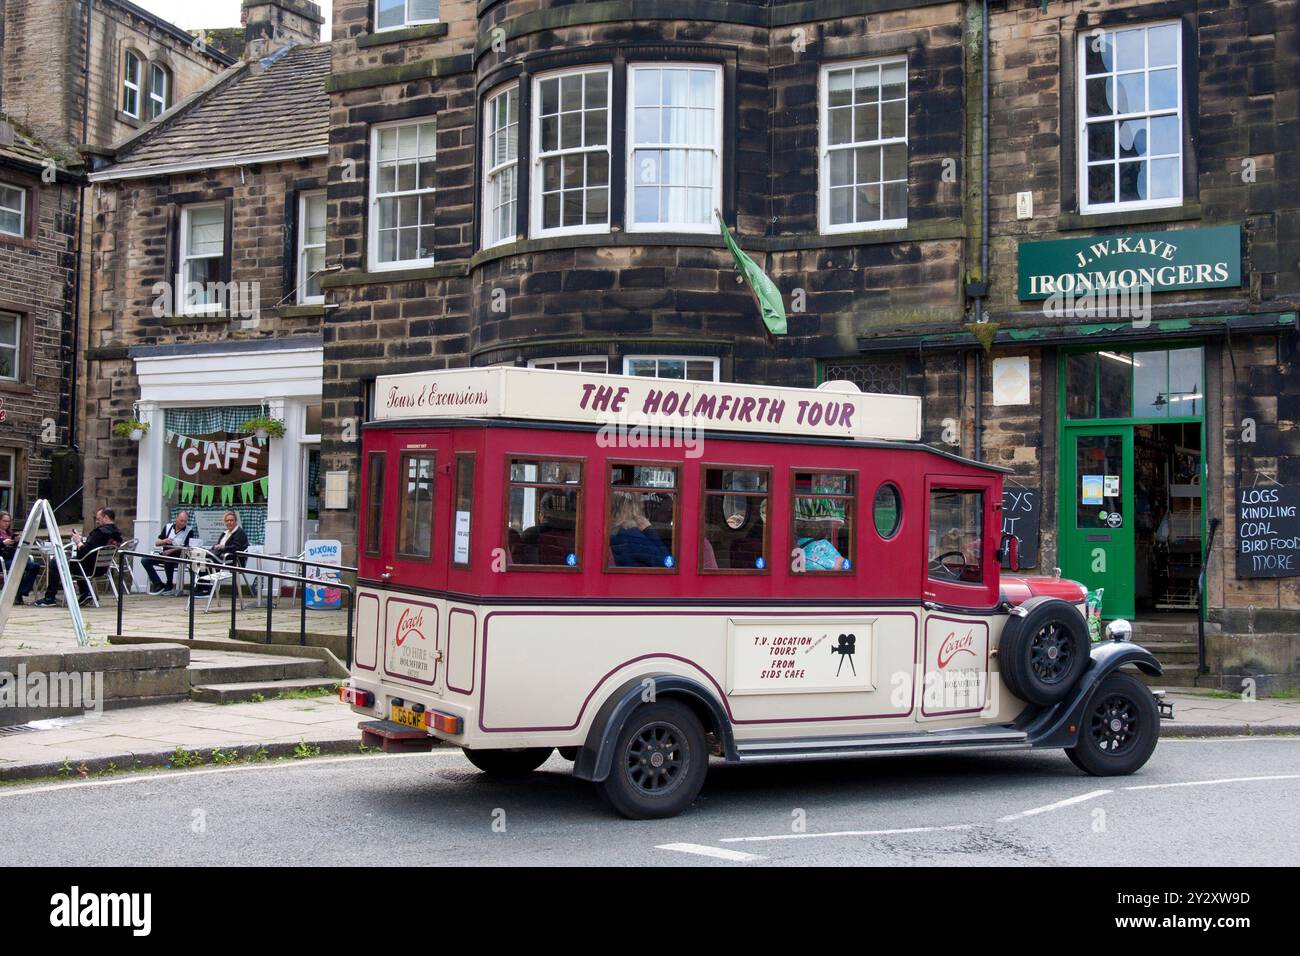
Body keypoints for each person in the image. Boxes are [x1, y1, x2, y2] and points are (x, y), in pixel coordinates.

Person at [33, 507, 124, 607]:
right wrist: (82, 542)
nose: (97, 521)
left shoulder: (100, 532)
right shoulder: (117, 535)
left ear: (106, 517)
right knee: (74, 561)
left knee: (56, 561)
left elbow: (85, 552)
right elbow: (93, 549)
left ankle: (50, 598)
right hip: (103, 568)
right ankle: (86, 593)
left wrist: (78, 542)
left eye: (98, 519)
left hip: (87, 568)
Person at [609, 492, 670, 568]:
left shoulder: (613, 532)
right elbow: (668, 564)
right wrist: (649, 531)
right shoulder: (633, 537)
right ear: (634, 508)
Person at [142, 510, 196, 594]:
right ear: (176, 519)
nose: (183, 523)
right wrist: (165, 541)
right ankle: (158, 584)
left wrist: (170, 551)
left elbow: (187, 547)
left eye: (185, 521)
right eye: (181, 520)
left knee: (168, 561)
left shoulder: (189, 531)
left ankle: (169, 584)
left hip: (178, 556)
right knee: (145, 560)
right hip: (164, 554)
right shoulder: (168, 527)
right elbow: (157, 542)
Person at [0, 510, 39, 605]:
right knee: (18, 567)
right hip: (3, 559)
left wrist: (18, 540)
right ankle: (18, 595)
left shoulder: (10, 533)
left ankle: (22, 591)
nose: (7, 523)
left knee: (34, 566)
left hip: (14, 558)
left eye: (8, 521)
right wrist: (3, 543)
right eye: (4, 521)